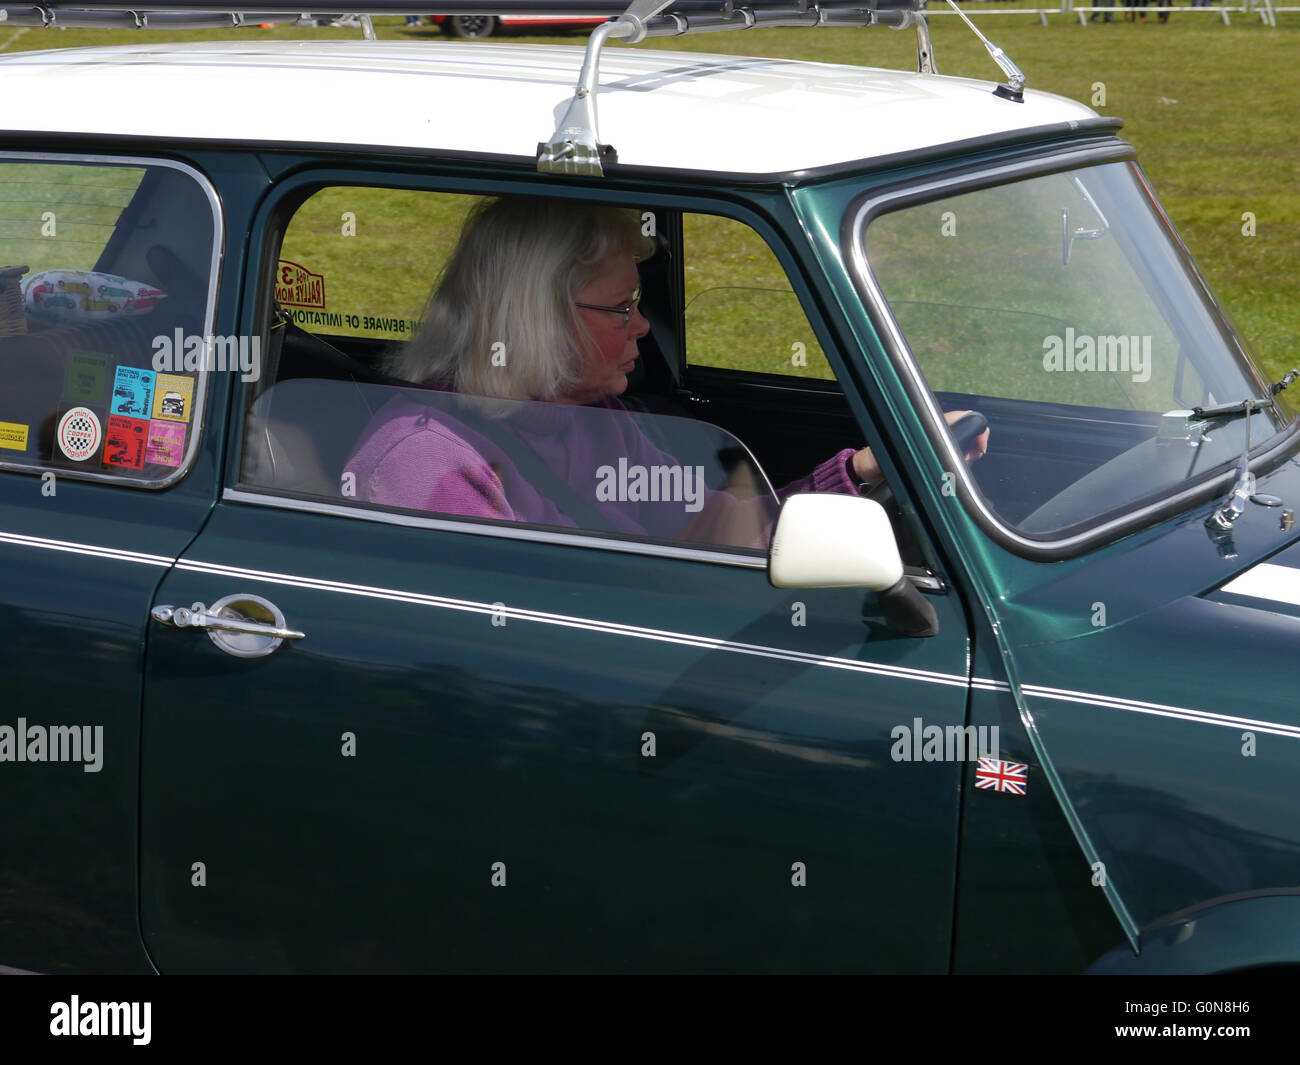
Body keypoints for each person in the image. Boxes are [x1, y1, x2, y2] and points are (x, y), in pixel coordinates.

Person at [343, 197, 988, 547]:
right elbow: (508, 640)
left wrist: (864, 471)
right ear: (536, 316)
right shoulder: (427, 461)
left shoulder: (596, 419)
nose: (644, 325)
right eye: (622, 308)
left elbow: (719, 534)